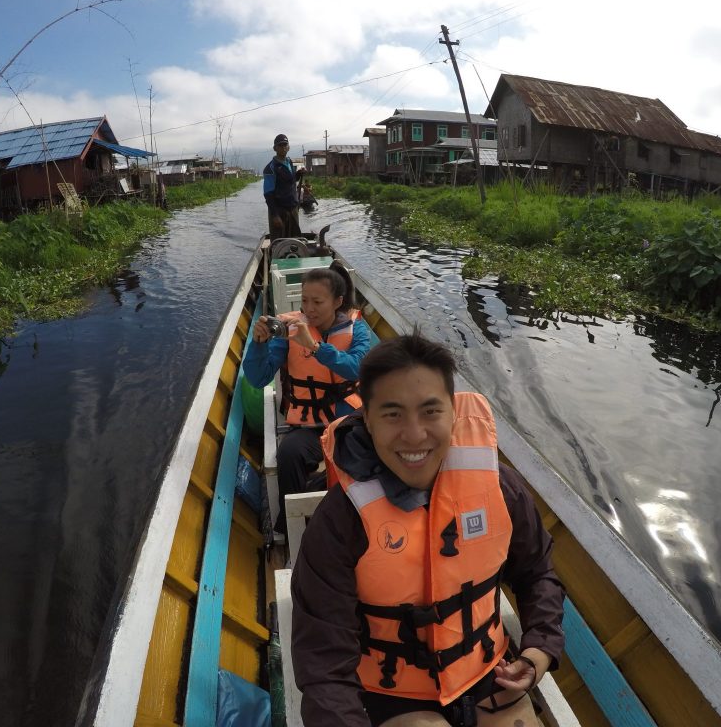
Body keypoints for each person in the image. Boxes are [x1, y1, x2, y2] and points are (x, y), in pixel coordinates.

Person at [291, 331, 565, 727]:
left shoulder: (501, 488)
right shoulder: (340, 521)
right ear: (366, 418)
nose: (415, 435)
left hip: (489, 677)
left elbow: (538, 572)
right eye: (392, 414)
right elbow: (324, 664)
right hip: (391, 697)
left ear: (453, 413)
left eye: (431, 411)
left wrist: (539, 649)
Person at [242, 263, 371, 536]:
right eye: (304, 300)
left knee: (365, 457)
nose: (309, 308)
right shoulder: (289, 331)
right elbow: (258, 378)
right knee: (289, 454)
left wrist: (315, 347)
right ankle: (292, 528)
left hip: (347, 421)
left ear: (337, 302)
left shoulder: (356, 328)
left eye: (317, 301)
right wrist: (258, 344)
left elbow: (358, 367)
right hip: (309, 426)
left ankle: (349, 516)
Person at [263, 133, 302, 240]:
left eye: (285, 145)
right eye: (280, 145)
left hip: (293, 210)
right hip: (279, 212)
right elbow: (268, 194)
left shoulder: (289, 162)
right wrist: (275, 216)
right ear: (275, 148)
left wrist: (298, 174)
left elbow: (291, 181)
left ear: (288, 147)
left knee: (295, 243)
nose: (283, 148)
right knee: (279, 245)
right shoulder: (270, 168)